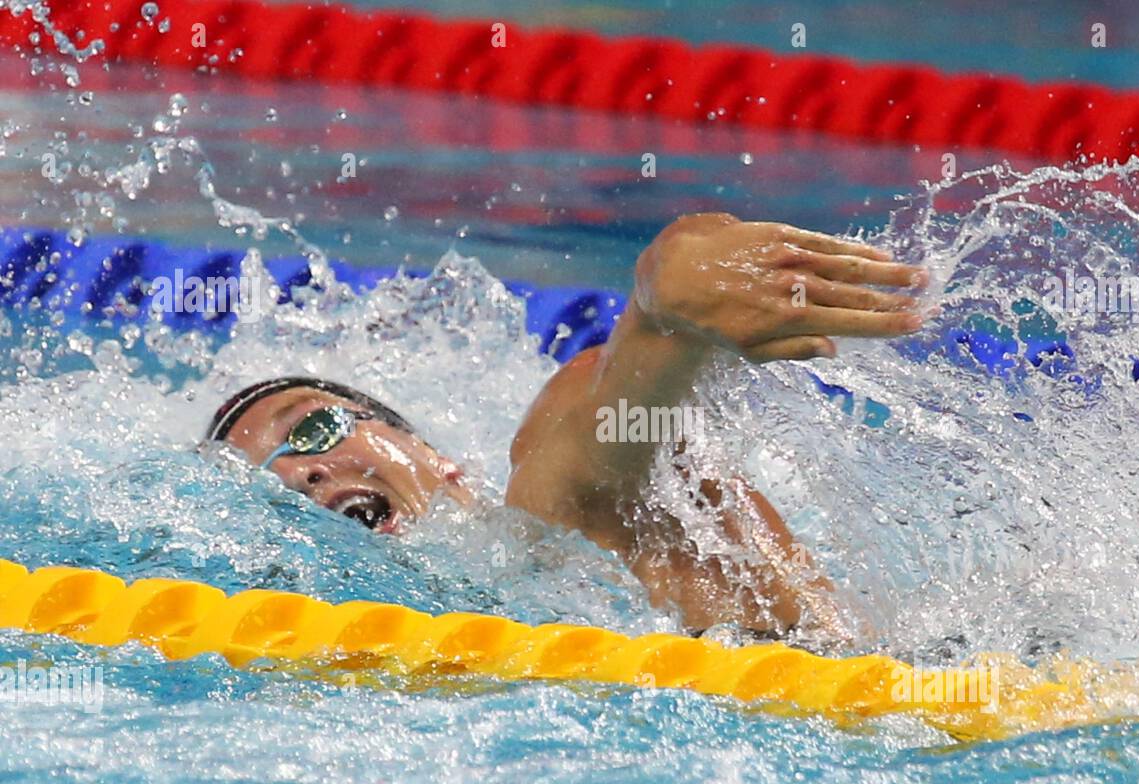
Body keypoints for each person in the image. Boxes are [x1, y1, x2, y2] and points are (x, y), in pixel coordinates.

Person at [207, 214, 927, 642]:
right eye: (262, 483)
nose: (297, 473)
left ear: (438, 457)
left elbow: (610, 394)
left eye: (313, 428)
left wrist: (665, 290)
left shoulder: (549, 527)